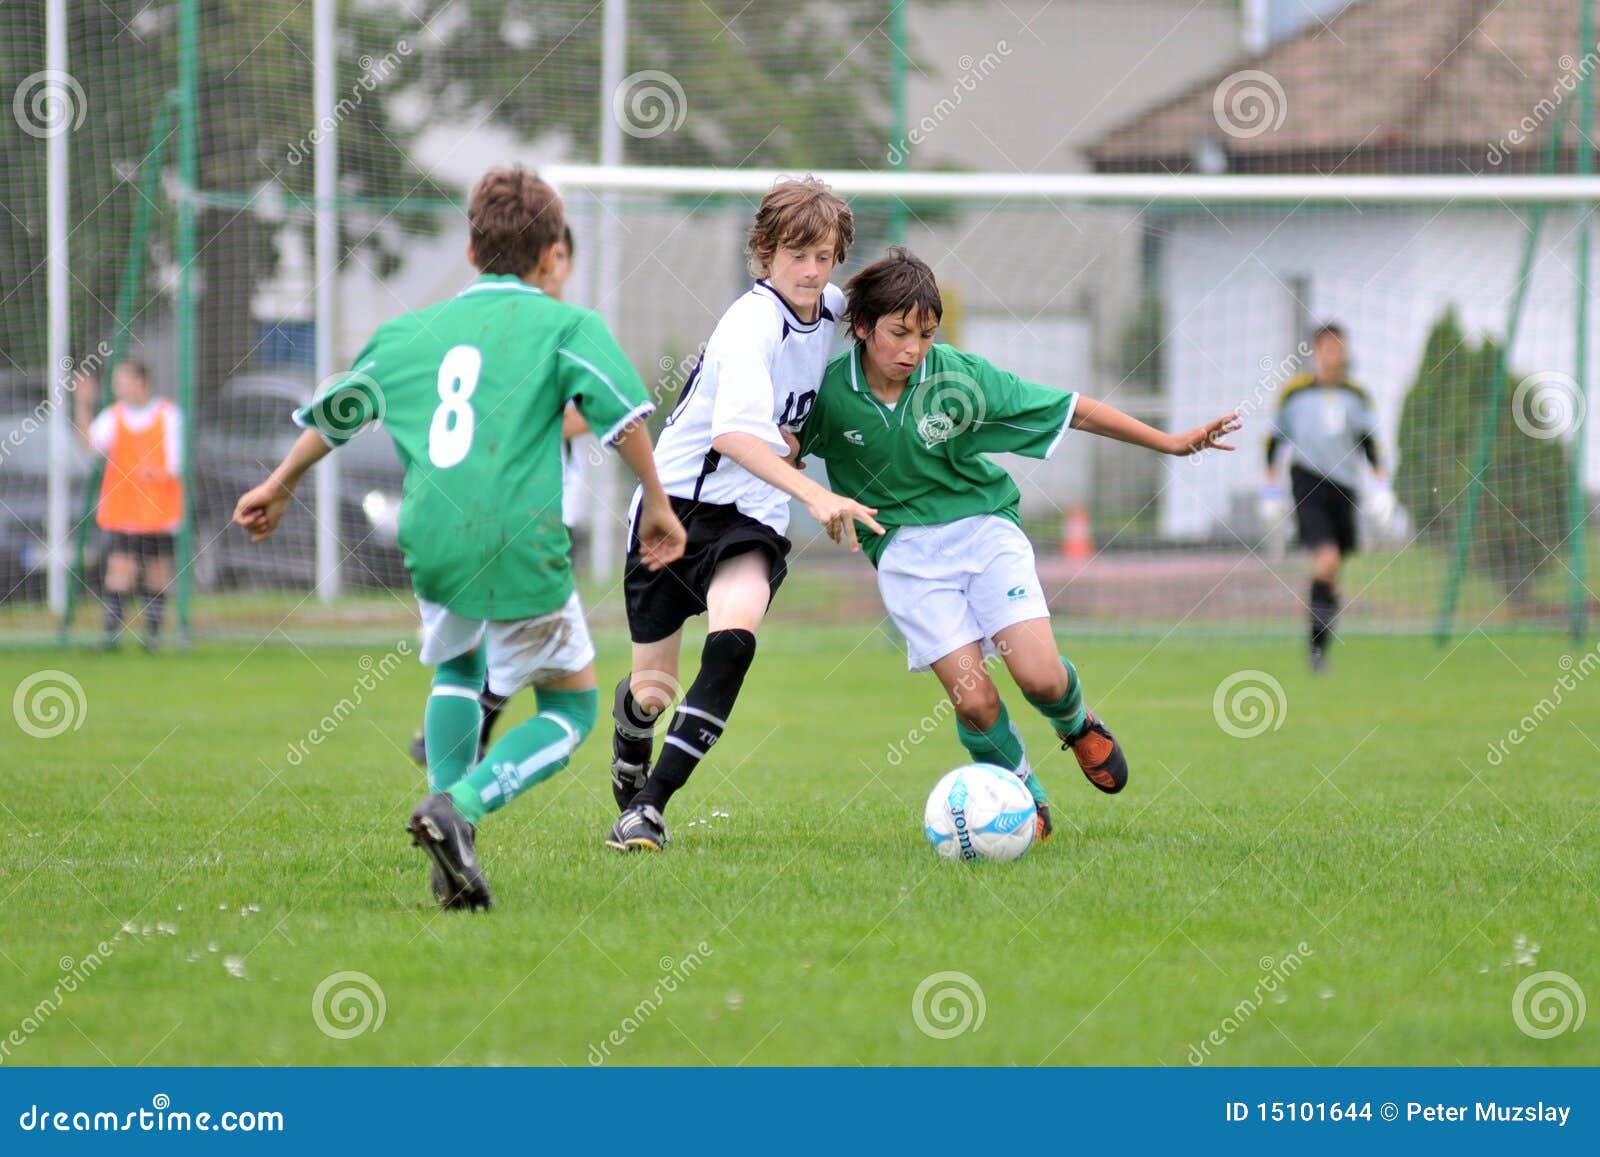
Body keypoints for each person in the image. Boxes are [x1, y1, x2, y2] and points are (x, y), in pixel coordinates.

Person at [234, 166, 686, 910]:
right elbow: (624, 416)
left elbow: (340, 411)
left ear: (471, 251)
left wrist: (279, 484)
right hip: (516, 534)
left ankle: (447, 827)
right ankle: (460, 809)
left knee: (457, 664)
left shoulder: (407, 332)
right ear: (553, 256)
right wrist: (660, 506)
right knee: (570, 709)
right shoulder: (566, 325)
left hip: (431, 536)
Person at [796, 248, 1240, 839]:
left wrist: (1171, 443)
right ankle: (1023, 795)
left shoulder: (958, 378)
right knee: (973, 701)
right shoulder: (827, 393)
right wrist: (814, 497)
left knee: (1040, 679)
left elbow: (1072, 411)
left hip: (984, 531)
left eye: (926, 335)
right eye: (899, 333)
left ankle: (1075, 722)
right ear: (861, 328)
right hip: (905, 554)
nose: (913, 349)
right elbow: (780, 451)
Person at [605, 176, 883, 853]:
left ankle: (648, 808)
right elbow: (732, 436)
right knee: (653, 691)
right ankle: (631, 725)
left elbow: (889, 309)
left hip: (750, 516)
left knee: (733, 642)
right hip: (675, 512)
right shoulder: (750, 323)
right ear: (764, 252)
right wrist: (815, 493)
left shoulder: (830, 304)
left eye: (824, 256)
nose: (811, 270)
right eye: (796, 254)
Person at [405, 222, 582, 770]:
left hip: (548, 505)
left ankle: (461, 744)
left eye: (563, 257)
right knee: (523, 649)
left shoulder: (567, 330)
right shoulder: (515, 329)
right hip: (504, 507)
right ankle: (470, 747)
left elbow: (586, 413)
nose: (555, 267)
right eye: (552, 255)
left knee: (506, 640)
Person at [1263, 322, 1387, 672]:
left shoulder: (1356, 396)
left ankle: (1320, 649)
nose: (1335, 355)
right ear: (1316, 352)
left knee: (1332, 572)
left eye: (1340, 348)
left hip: (1345, 488)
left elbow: (1369, 443)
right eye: (1329, 348)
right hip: (1309, 483)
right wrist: (1270, 491)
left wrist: (1382, 487)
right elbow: (1274, 442)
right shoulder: (1296, 394)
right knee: (1326, 560)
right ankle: (1316, 651)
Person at [73, 360, 184, 651]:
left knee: (158, 574)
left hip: (159, 513)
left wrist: (155, 473)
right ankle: (109, 638)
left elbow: (175, 463)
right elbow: (90, 446)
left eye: (123, 382)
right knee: (119, 571)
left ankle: (152, 640)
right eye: (116, 383)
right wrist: (83, 404)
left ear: (141, 383)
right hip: (124, 513)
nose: (118, 389)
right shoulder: (113, 416)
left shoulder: (168, 415)